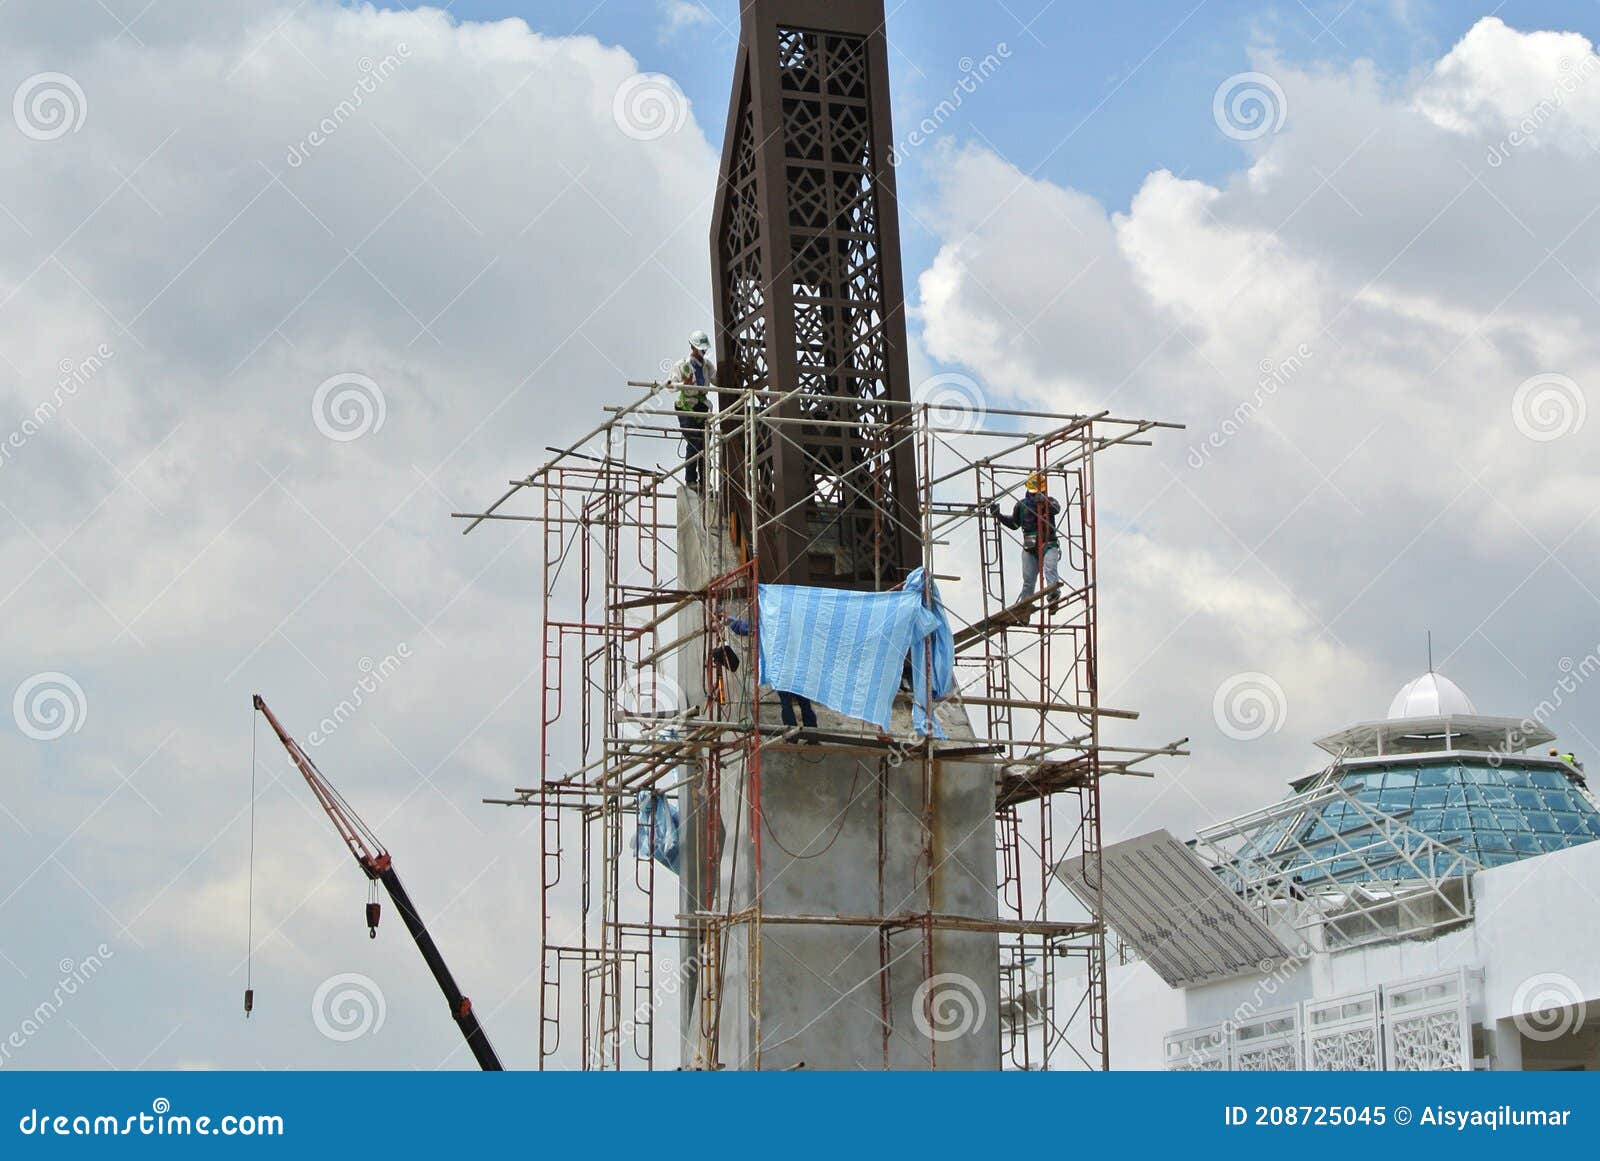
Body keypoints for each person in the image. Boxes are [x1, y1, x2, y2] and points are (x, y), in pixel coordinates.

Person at [723, 615, 818, 730]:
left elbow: (745, 628)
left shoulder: (769, 623)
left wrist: (731, 621)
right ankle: (812, 734)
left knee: (787, 703)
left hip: (782, 670)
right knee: (804, 702)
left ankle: (793, 736)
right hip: (797, 668)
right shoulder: (795, 623)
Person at [991, 473, 1062, 605]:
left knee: (1050, 569)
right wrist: (999, 516)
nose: (1037, 495)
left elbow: (1056, 509)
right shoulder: (1022, 506)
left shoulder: (1050, 502)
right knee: (1028, 580)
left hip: (1049, 544)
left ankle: (1053, 597)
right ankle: (1025, 610)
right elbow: (1014, 524)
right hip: (1030, 548)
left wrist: (1044, 502)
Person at [673, 330, 716, 490]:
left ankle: (705, 481)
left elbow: (716, 379)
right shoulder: (683, 365)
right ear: (692, 347)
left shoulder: (707, 365)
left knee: (705, 443)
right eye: (700, 348)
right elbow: (670, 385)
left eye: (704, 349)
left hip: (701, 406)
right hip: (686, 406)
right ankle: (691, 480)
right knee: (694, 442)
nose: (703, 351)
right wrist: (684, 384)